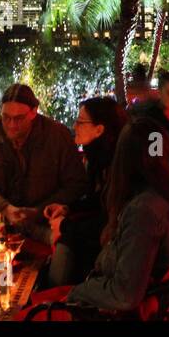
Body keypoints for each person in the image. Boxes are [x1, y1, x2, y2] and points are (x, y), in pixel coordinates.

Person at [65, 118, 169, 312]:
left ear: (124, 159)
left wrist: (75, 293)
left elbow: (125, 295)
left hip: (135, 312)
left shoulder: (144, 211)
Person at [0, 84, 87, 244]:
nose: (11, 124)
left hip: (44, 224)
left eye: (18, 118)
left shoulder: (57, 136)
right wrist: (4, 207)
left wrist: (38, 211)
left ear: (33, 112)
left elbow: (76, 185)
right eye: (6, 117)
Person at [43, 97, 127, 286]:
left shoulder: (117, 166)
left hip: (113, 251)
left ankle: (56, 303)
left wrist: (64, 226)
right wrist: (67, 208)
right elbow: (99, 200)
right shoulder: (99, 159)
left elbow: (108, 219)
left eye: (81, 122)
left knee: (67, 240)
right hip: (103, 240)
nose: (75, 125)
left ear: (99, 129)